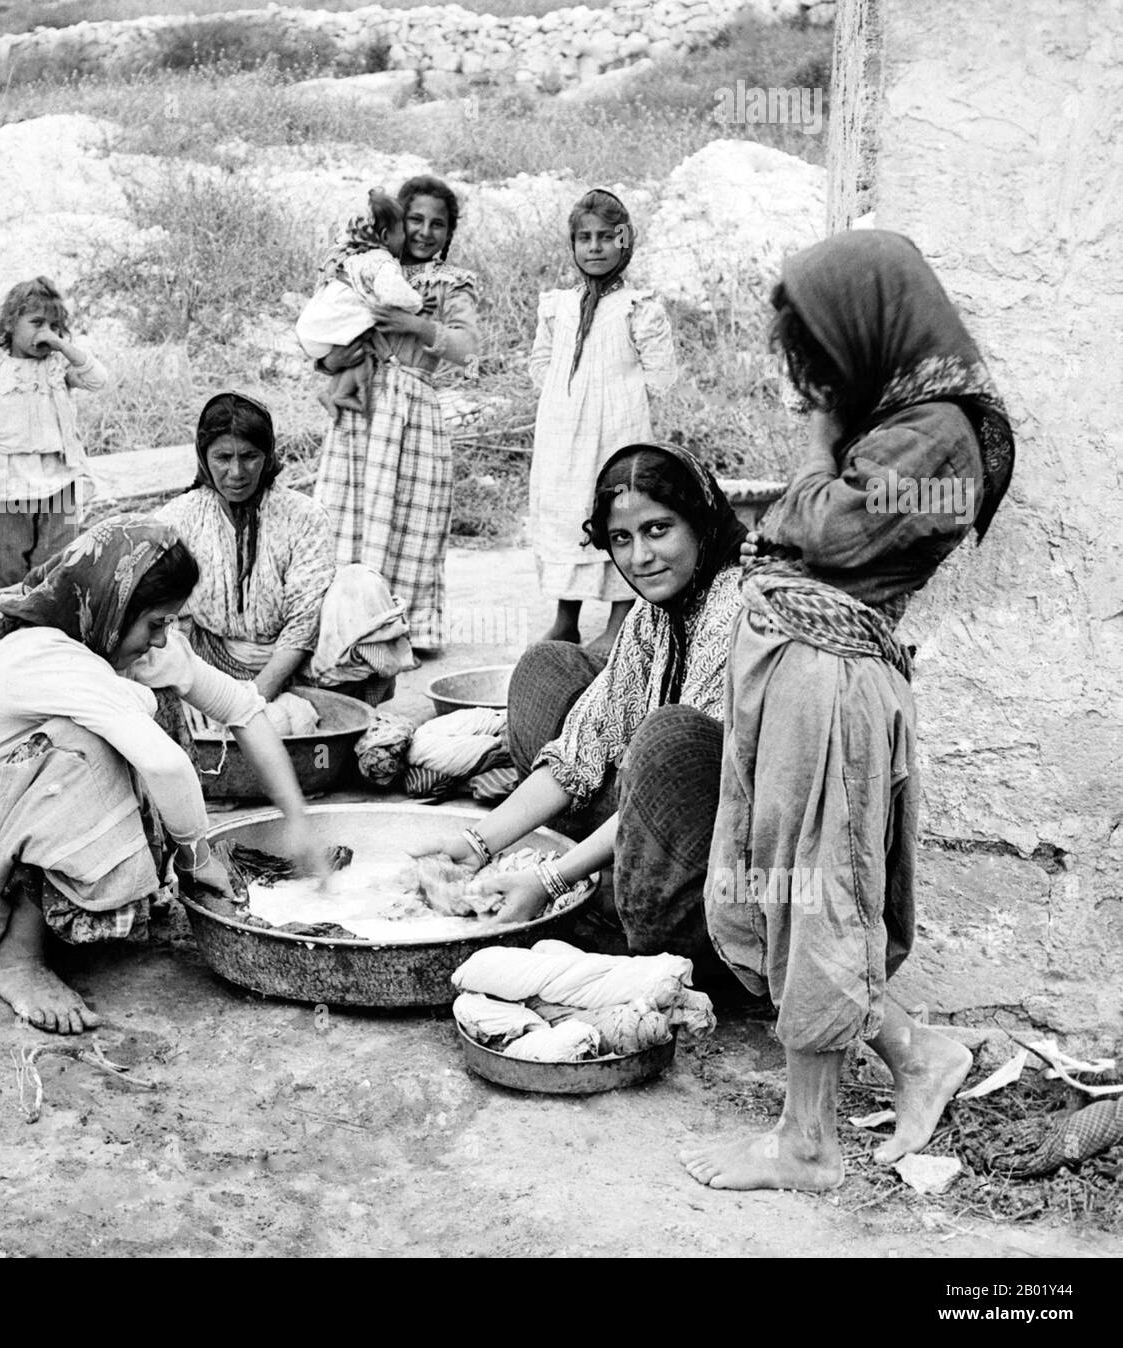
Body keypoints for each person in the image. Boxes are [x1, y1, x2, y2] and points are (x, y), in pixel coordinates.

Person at [682, 230, 1016, 1192]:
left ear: (872, 325)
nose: (813, 376)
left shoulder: (940, 437)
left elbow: (825, 529)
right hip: (796, 677)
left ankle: (809, 1146)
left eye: (821, 351)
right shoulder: (895, 427)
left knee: (819, 899)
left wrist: (819, 447)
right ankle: (917, 1056)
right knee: (782, 898)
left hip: (831, 688)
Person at [0, 516, 324, 1034]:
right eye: (155, 623)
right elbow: (164, 764)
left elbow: (243, 708)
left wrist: (299, 819)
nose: (161, 640)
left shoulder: (119, 641)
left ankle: (53, 919)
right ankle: (14, 959)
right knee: (89, 743)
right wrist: (197, 858)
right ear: (114, 604)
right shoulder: (42, 655)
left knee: (155, 705)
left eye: (170, 623)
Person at [414, 442, 744, 983]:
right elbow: (580, 752)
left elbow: (688, 779)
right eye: (622, 538)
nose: (639, 557)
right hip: (646, 818)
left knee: (668, 739)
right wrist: (476, 845)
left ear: (701, 523)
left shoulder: (738, 609)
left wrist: (551, 879)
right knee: (547, 667)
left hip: (724, 856)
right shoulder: (651, 616)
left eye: (659, 529)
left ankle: (646, 912)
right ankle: (607, 878)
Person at [156, 391, 413, 709]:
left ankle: (339, 715)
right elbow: (163, 613)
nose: (236, 472)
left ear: (268, 455)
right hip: (212, 666)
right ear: (203, 457)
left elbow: (304, 620)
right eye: (223, 458)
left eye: (249, 456)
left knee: (361, 584)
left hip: (302, 663)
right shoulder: (179, 519)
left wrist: (253, 700)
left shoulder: (303, 515)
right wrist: (194, 689)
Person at [313, 174, 479, 655]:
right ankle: (343, 618)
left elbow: (468, 352)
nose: (426, 232)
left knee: (411, 517)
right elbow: (328, 333)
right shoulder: (365, 269)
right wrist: (333, 360)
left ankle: (408, 625)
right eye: (415, 220)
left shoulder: (450, 284)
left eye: (438, 224)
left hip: (415, 412)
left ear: (450, 233)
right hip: (361, 409)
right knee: (349, 512)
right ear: (395, 224)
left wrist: (417, 325)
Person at [529, 189, 678, 656]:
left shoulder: (638, 307)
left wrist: (617, 399)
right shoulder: (558, 306)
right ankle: (566, 619)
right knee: (565, 510)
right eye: (583, 238)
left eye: (604, 238)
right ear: (572, 246)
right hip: (562, 433)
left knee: (617, 510)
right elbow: (540, 362)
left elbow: (662, 375)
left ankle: (619, 620)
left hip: (616, 430)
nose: (594, 248)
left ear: (624, 242)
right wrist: (563, 399)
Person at [0, 276, 107, 589]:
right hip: (10, 484)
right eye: (37, 323)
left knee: (56, 567)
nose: (46, 333)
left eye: (54, 326)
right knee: (5, 567)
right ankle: (7, 631)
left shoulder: (59, 368)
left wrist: (60, 344)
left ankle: (49, 629)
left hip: (61, 482)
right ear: (11, 324)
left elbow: (98, 380)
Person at [296, 188, 425, 419]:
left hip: (315, 331)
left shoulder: (352, 257)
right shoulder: (381, 263)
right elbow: (395, 294)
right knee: (363, 342)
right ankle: (339, 393)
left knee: (364, 341)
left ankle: (334, 393)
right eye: (405, 231)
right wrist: (416, 304)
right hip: (372, 398)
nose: (411, 238)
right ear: (386, 236)